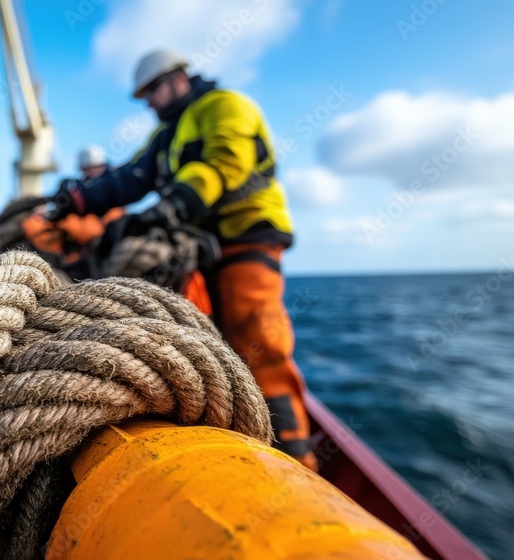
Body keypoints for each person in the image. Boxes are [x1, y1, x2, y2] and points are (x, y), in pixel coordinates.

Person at [51, 49, 316, 470]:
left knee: (257, 338)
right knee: (201, 335)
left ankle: (296, 457)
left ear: (178, 79)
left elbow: (224, 163)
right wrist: (78, 198)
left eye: (152, 90)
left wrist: (175, 203)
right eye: (143, 96)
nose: (149, 102)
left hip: (245, 237)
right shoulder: (167, 136)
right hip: (197, 242)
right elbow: (129, 178)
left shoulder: (225, 106)